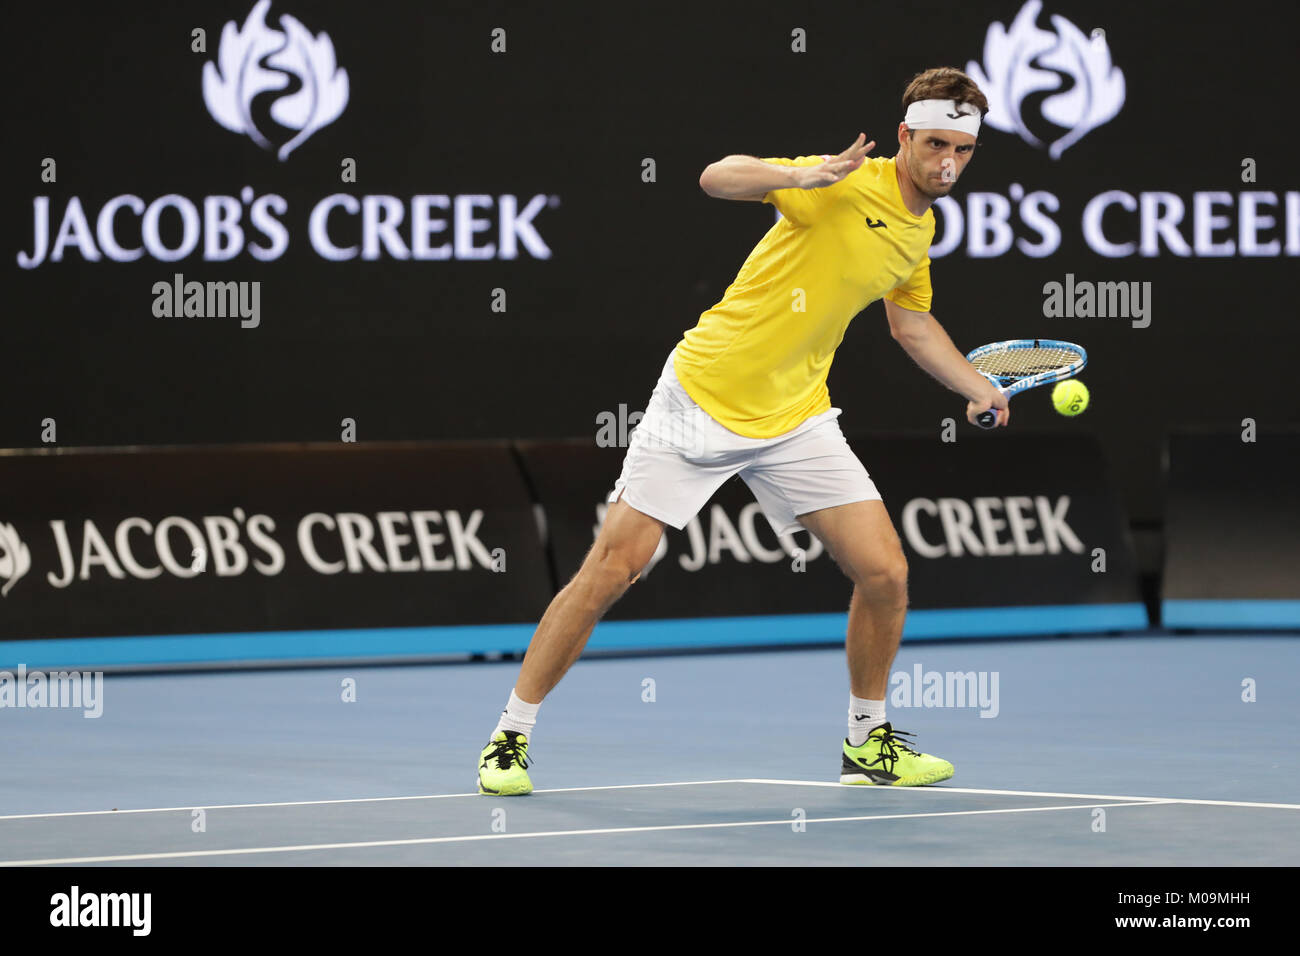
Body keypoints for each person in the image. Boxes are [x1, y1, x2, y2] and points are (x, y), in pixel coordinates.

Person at [477, 67, 1007, 795]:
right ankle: (510, 736)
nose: (949, 162)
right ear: (905, 137)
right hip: (702, 397)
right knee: (613, 570)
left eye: (965, 151)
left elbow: (910, 324)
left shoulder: (922, 228)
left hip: (796, 418)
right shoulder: (839, 182)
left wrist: (976, 385)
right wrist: (810, 174)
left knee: (885, 572)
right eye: (936, 144)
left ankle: (867, 741)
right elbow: (714, 178)